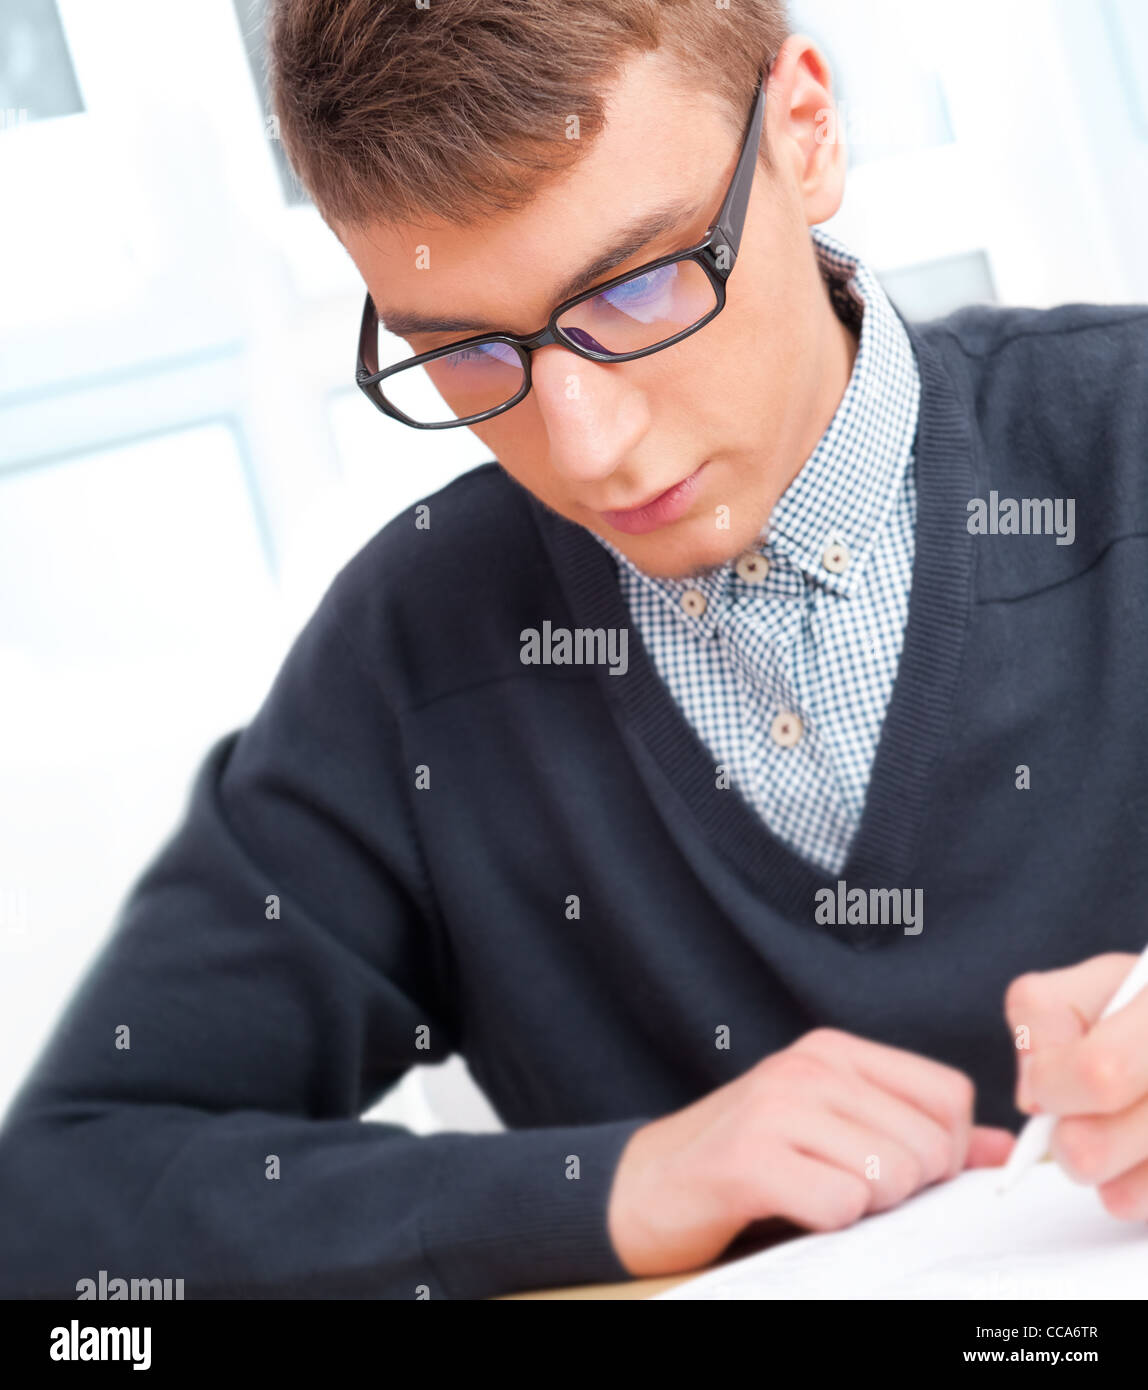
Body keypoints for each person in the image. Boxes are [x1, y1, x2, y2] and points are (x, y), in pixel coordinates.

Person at [2, 0, 1147, 1301]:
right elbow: (65, 1196)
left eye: (640, 283)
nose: (589, 444)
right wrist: (621, 1183)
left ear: (808, 131)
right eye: (463, 349)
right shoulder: (411, 660)